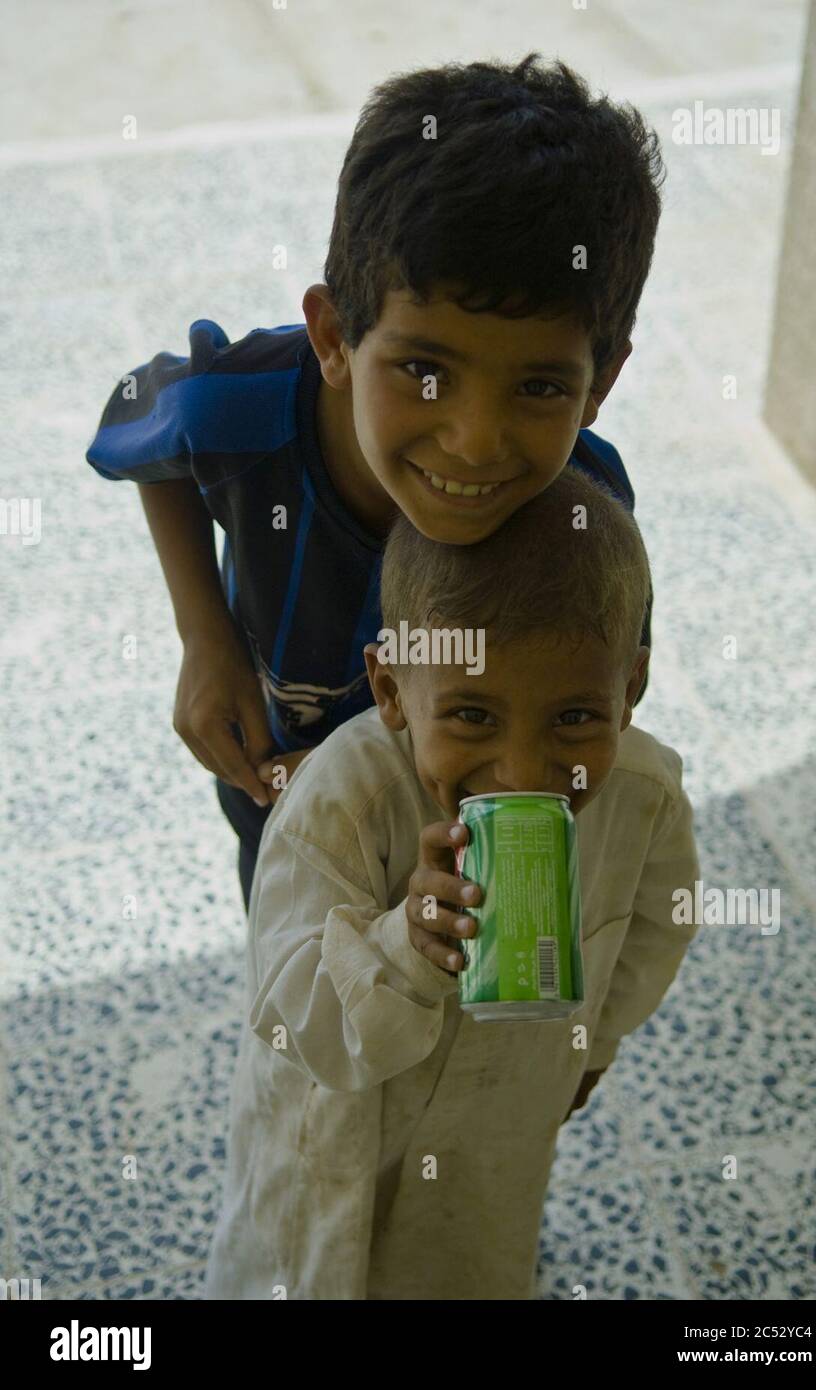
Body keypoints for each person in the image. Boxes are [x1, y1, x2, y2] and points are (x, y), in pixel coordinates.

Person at [84, 53, 664, 911]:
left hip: (474, 852)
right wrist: (203, 634)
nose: (474, 443)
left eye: (540, 387)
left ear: (601, 383)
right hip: (284, 825)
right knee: (301, 1012)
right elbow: (140, 426)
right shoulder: (232, 409)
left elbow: (589, 707)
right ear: (333, 337)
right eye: (424, 370)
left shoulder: (585, 513)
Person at [204, 469, 700, 1300]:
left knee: (463, 1263)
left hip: (496, 1118)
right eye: (472, 716)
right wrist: (402, 944)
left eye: (575, 717)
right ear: (393, 689)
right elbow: (291, 1007)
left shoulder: (643, 796)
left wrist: (596, 1045)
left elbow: (656, 925)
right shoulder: (343, 800)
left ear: (631, 690)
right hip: (333, 1130)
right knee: (301, 1273)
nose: (523, 769)